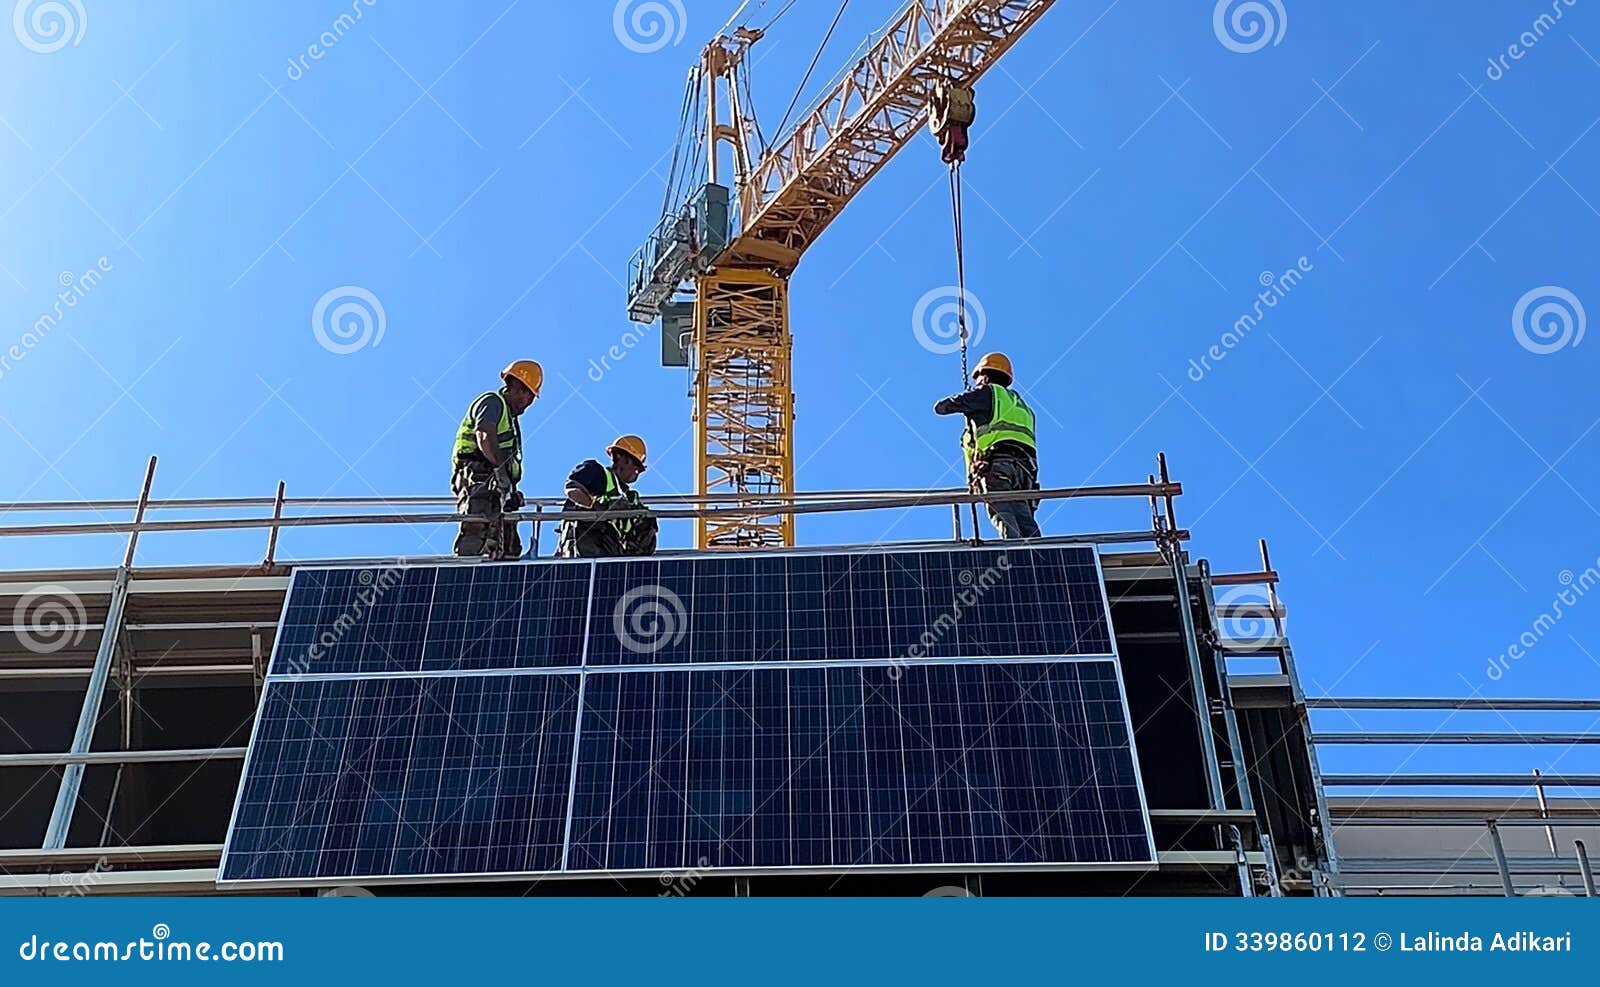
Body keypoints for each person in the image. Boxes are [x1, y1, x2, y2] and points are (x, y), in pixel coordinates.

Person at [934, 351, 1041, 539]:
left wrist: (966, 402)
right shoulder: (1022, 406)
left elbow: (942, 407)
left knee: (1003, 513)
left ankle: (1015, 557)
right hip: (1026, 472)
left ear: (984, 375)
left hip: (999, 465)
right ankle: (1042, 558)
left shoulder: (987, 393)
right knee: (1024, 517)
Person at [450, 360, 541, 559]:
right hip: (479, 476)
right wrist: (501, 474)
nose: (529, 402)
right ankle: (468, 572)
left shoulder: (509, 419)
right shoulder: (492, 402)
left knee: (506, 543)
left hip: (497, 486)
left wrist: (511, 490)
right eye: (529, 395)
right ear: (516, 386)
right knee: (478, 529)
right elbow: (484, 435)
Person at [556, 435, 657, 558]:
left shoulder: (630, 499)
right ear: (619, 456)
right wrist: (595, 506)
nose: (637, 471)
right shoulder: (596, 473)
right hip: (584, 549)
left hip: (611, 554)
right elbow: (572, 489)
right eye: (635, 464)